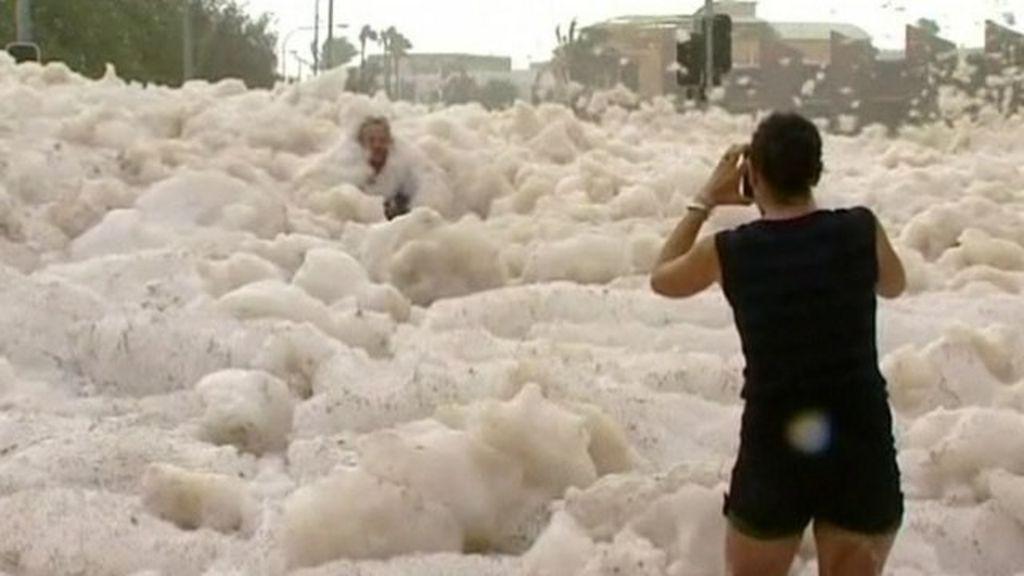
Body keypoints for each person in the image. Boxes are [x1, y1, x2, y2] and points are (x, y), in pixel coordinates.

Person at [650, 112, 907, 576]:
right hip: (861, 439)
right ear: (816, 171)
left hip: (775, 446)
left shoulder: (730, 250)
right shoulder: (860, 229)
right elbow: (895, 285)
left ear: (752, 175)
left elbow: (662, 278)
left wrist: (705, 199)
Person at [355, 116, 418, 220]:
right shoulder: (351, 174)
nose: (377, 145)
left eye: (382, 140)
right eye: (371, 140)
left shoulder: (402, 174)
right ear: (362, 144)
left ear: (390, 143)